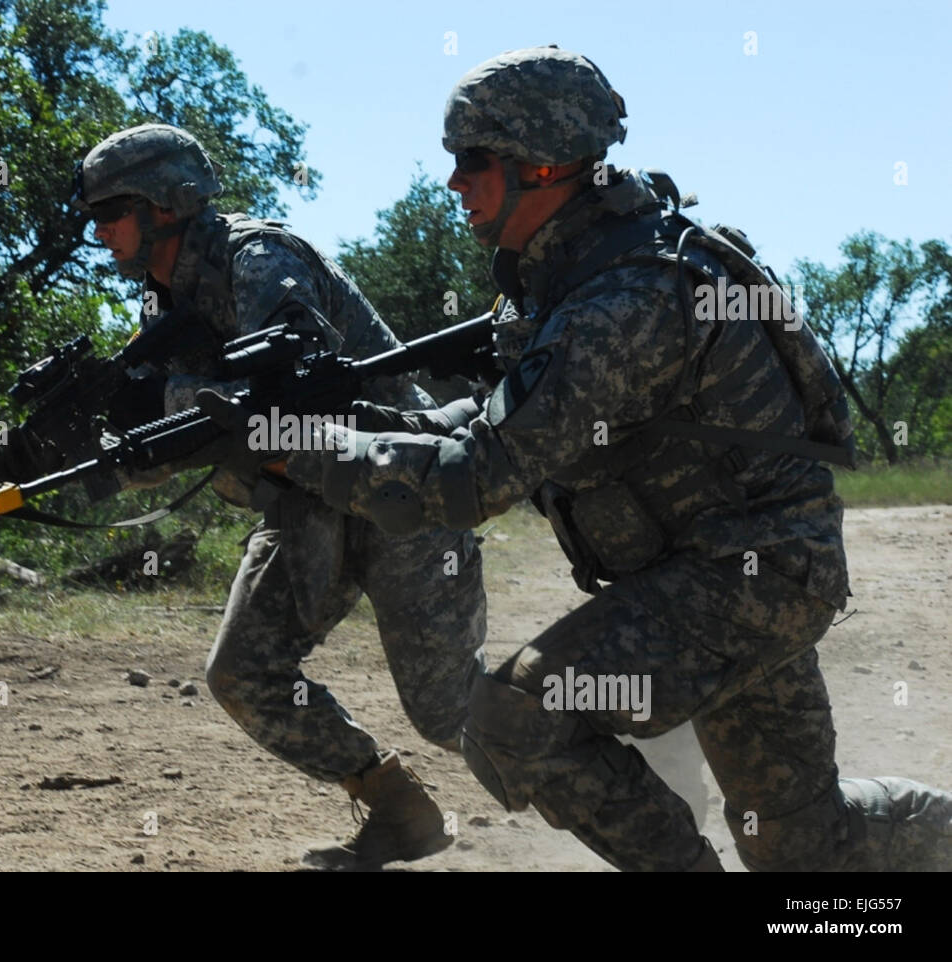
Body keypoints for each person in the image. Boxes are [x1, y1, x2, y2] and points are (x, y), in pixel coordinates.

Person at [205, 47, 952, 871]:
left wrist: (298, 448)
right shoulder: (569, 272)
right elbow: (485, 421)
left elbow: (472, 477)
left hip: (752, 582)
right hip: (724, 578)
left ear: (544, 163)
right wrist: (353, 427)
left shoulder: (623, 301)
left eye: (473, 162)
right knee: (802, 850)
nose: (454, 183)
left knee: (519, 715)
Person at [68, 124, 487, 870]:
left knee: (450, 708)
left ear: (166, 204)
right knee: (243, 674)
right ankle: (399, 810)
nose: (100, 231)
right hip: (302, 502)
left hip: (392, 487)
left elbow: (295, 402)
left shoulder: (259, 260)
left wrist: (170, 400)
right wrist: (103, 456)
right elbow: (187, 441)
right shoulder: (161, 311)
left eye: (112, 211)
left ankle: (627, 749)